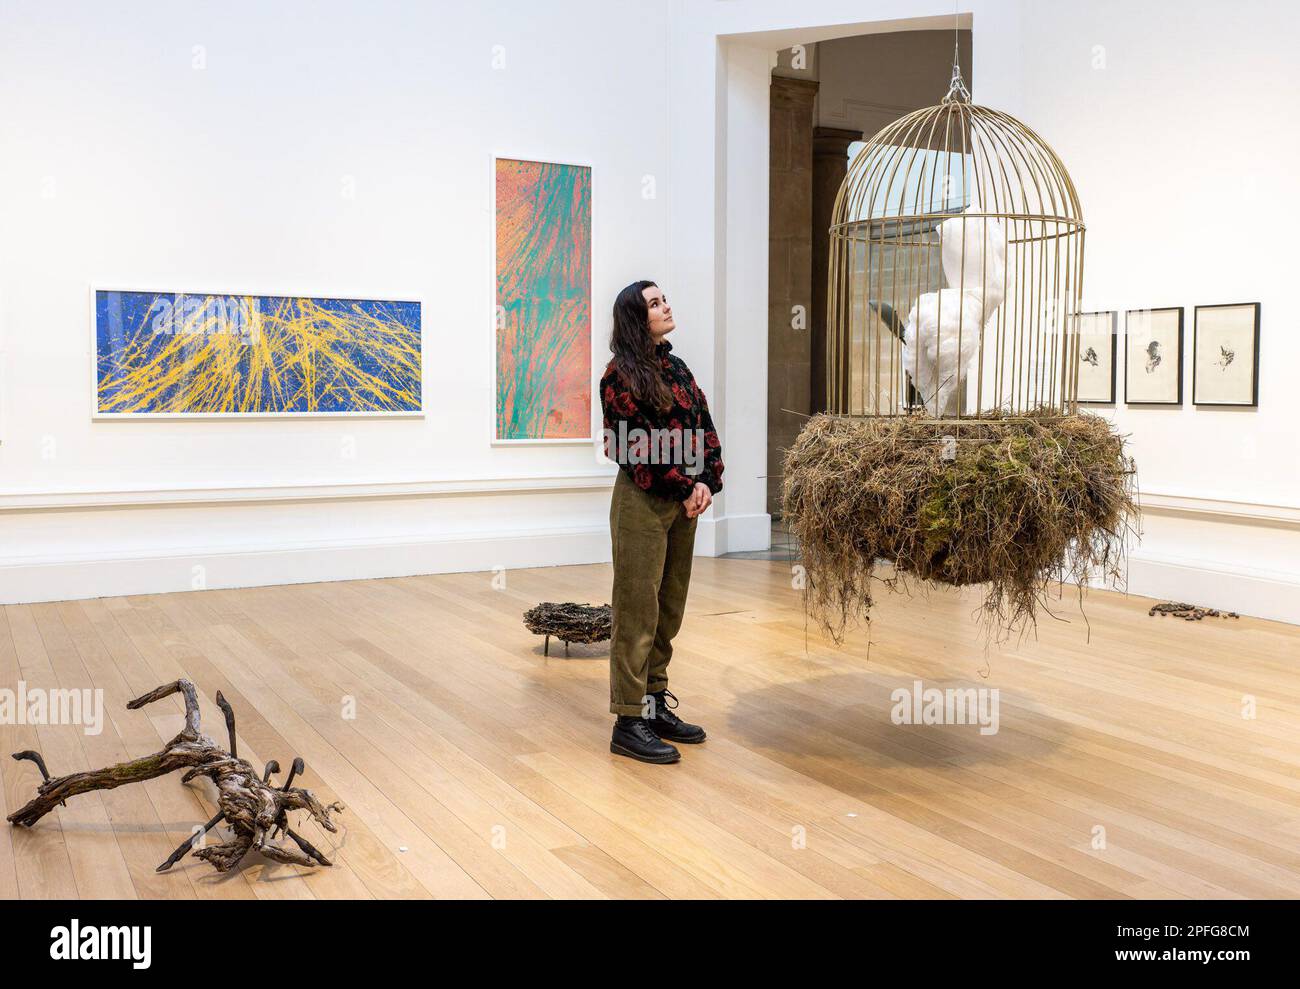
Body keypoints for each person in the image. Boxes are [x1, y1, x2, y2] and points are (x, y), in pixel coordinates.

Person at [599, 280, 724, 764]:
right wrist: (684, 484)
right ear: (636, 317)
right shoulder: (618, 377)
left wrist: (707, 482)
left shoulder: (678, 368)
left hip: (684, 504)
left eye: (665, 298)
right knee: (637, 610)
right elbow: (631, 447)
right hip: (643, 503)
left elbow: (705, 430)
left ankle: (653, 705)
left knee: (669, 607)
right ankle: (628, 720)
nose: (666, 306)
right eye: (655, 303)